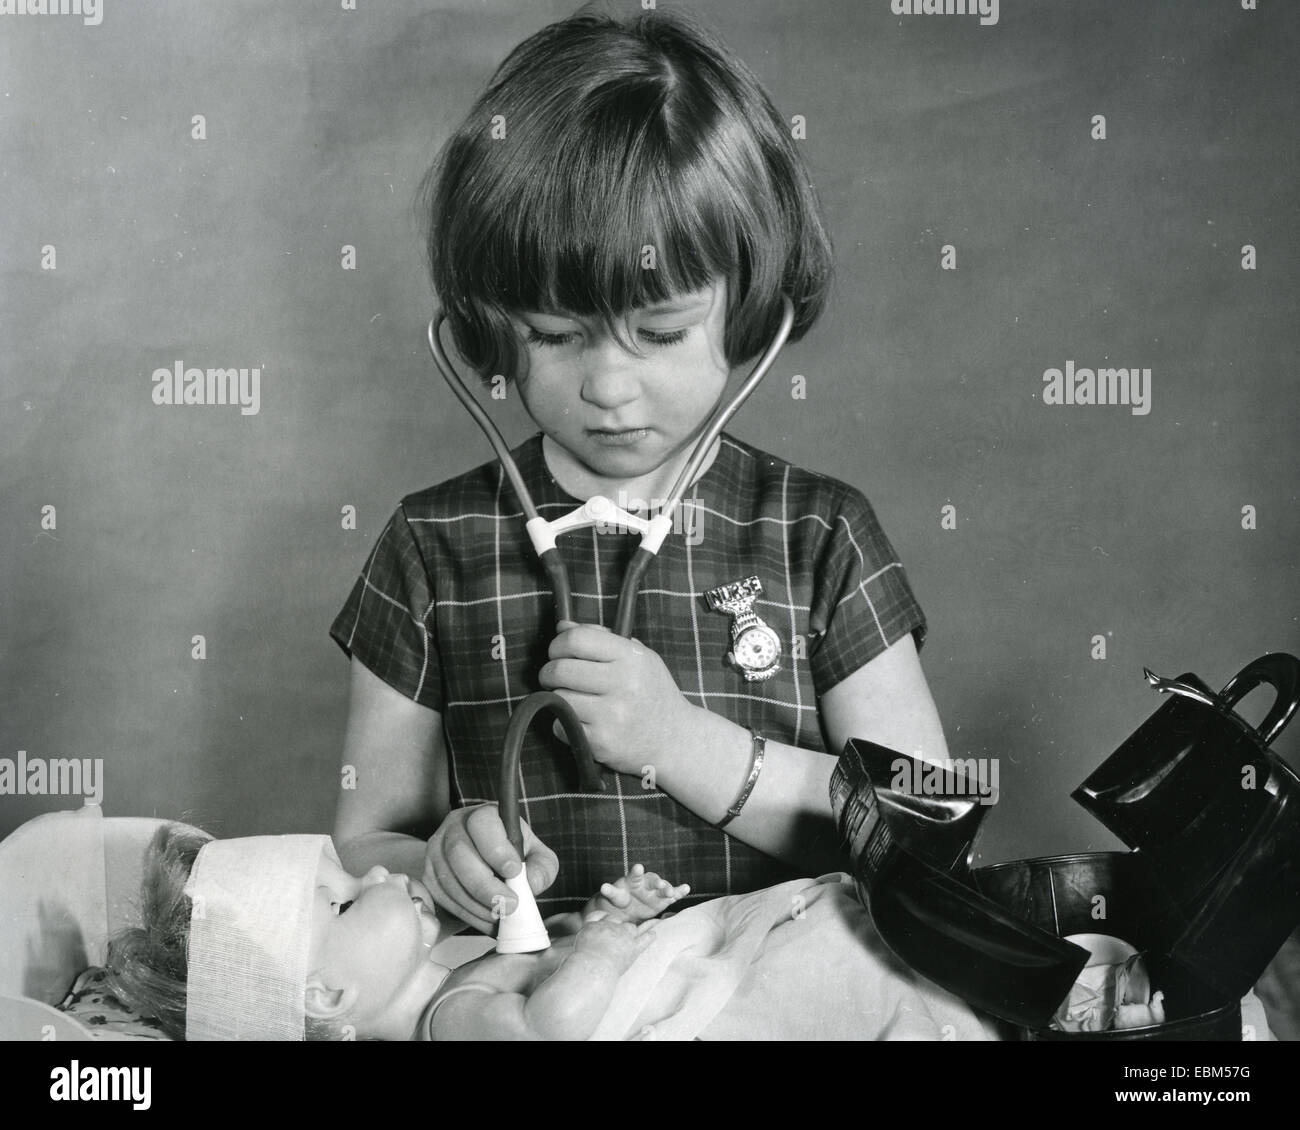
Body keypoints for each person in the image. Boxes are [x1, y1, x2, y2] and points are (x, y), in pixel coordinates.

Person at [329, 8, 951, 930]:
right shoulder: (431, 547)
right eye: (554, 334)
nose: (609, 387)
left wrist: (679, 743)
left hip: (770, 1001)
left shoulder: (818, 535)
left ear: (748, 309)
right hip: (534, 1006)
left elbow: (926, 822)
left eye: (659, 332)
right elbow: (365, 843)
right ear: (488, 327)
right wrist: (438, 860)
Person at [105, 825, 998, 1041]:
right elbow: (554, 1025)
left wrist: (599, 921)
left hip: (657, 970)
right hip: (660, 1016)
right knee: (830, 961)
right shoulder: (448, 1020)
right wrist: (607, 947)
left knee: (829, 936)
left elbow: (534, 959)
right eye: (343, 903)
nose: (379, 874)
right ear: (325, 998)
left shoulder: (454, 968)